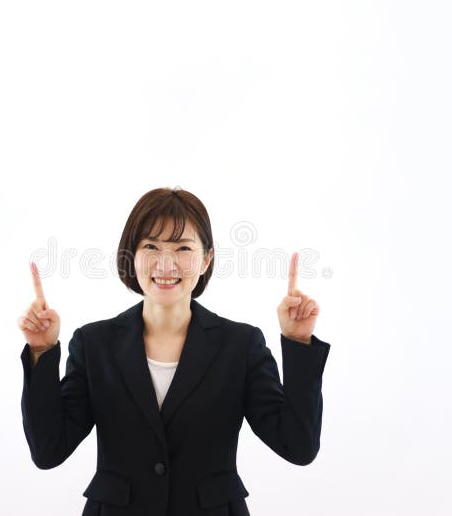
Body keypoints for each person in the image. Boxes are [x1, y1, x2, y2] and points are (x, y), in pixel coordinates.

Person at [17, 187, 331, 516]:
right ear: (130, 256)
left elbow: (298, 447)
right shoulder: (94, 345)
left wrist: (298, 343)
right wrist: (41, 350)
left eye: (183, 247)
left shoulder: (241, 346)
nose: (166, 263)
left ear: (207, 258)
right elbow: (48, 451)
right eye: (151, 245)